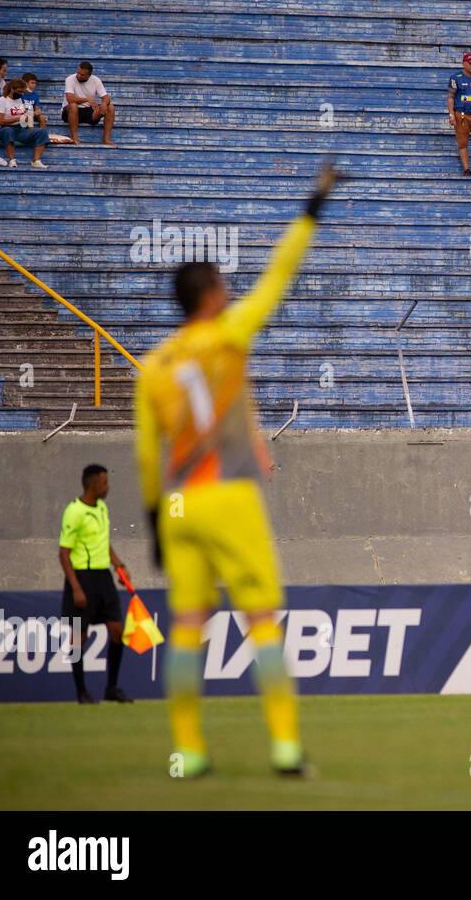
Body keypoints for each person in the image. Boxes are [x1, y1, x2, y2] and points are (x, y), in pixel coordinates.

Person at [135, 165, 342, 778]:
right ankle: (283, 748)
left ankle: (189, 750)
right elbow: (280, 274)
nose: (229, 289)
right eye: (223, 284)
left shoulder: (152, 367)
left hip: (177, 506)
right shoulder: (229, 334)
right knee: (260, 624)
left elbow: (147, 456)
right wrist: (312, 206)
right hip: (228, 495)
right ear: (212, 296)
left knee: (188, 626)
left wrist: (153, 518)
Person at [58, 463, 132, 705]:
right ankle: (81, 692)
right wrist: (76, 588)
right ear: (92, 485)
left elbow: (104, 542)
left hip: (103, 579)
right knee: (79, 637)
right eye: (104, 482)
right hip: (82, 579)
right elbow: (64, 553)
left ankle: (112, 688)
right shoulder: (74, 512)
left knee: (117, 629)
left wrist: (118, 564)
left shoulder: (102, 508)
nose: (107, 486)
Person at [0, 79, 50, 169]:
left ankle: (36, 161)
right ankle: (12, 160)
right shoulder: (2, 100)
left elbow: (26, 115)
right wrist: (18, 118)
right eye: (19, 91)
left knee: (41, 132)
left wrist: (31, 117)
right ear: (12, 89)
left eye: (22, 92)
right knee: (8, 130)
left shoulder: (20, 100)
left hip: (20, 129)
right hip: (3, 129)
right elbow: (0, 121)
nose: (21, 94)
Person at [62, 60, 115, 145]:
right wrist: (87, 99)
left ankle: (106, 139)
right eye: (78, 73)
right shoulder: (70, 79)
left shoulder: (96, 80)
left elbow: (106, 97)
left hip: (88, 112)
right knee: (73, 105)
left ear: (89, 75)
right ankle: (74, 138)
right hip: (70, 112)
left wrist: (104, 104)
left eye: (82, 75)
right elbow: (70, 99)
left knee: (110, 107)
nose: (79, 76)